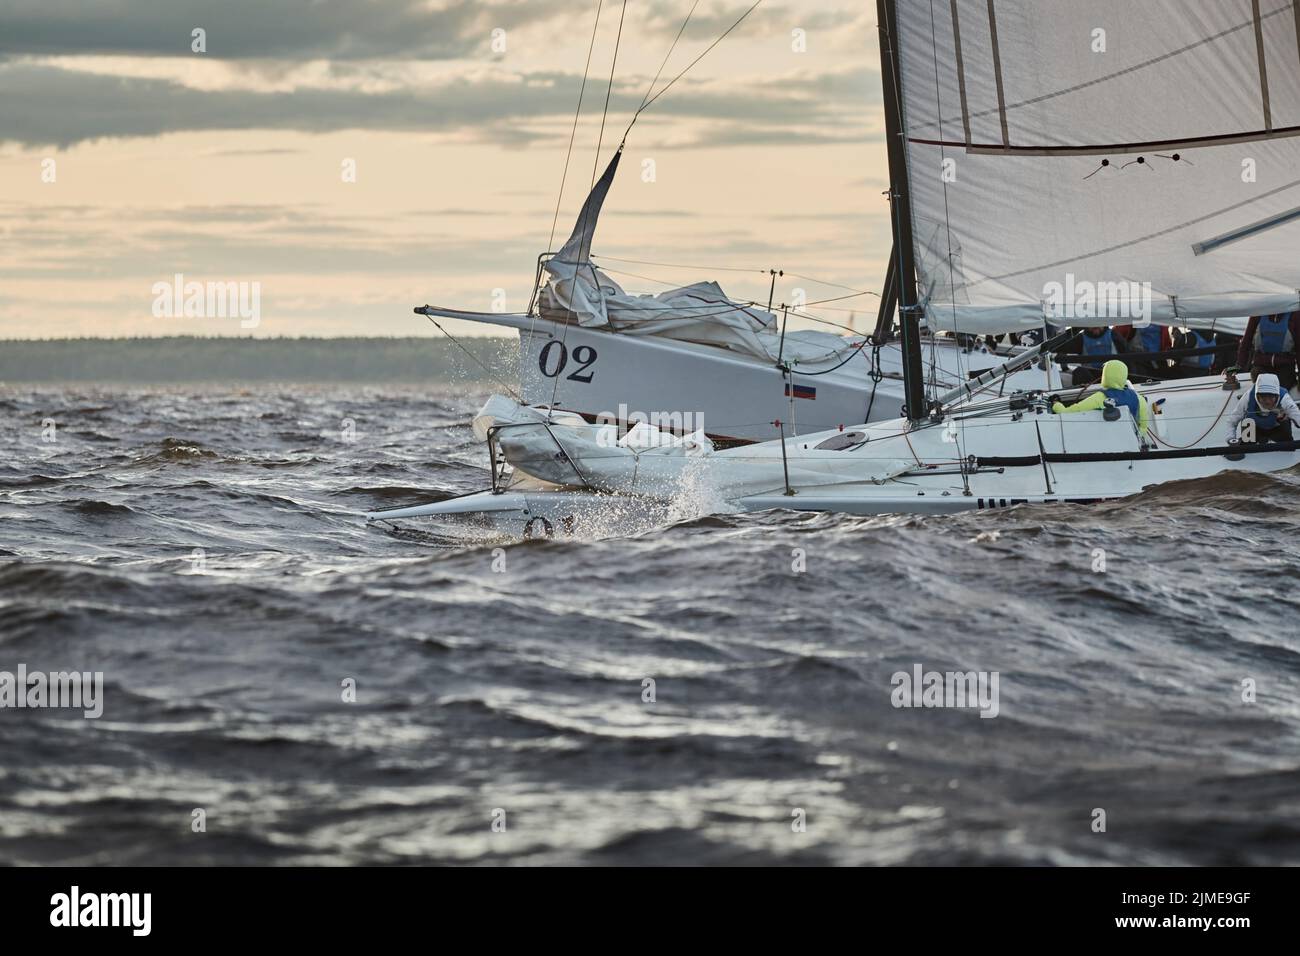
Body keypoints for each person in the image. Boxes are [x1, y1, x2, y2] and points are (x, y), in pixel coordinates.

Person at [1052, 358, 1150, 437]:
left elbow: (1067, 412)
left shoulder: (1100, 398)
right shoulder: (1138, 398)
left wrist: (1056, 405)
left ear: (1105, 376)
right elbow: (1143, 427)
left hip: (1108, 438)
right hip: (1130, 439)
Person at [1222, 373, 1300, 444]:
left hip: (1276, 428)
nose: (1268, 401)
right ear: (1257, 395)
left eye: (1271, 396)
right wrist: (1231, 439)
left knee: (1287, 446)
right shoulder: (1248, 396)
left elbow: (1298, 417)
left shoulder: (1285, 398)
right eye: (1263, 397)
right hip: (1253, 429)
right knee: (1247, 426)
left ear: (1277, 395)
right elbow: (1232, 421)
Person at [1234, 312, 1300, 391]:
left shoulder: (1295, 315)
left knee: (1279, 392)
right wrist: (1239, 365)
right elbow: (1246, 342)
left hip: (1285, 367)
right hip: (1261, 367)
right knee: (1264, 391)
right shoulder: (1258, 313)